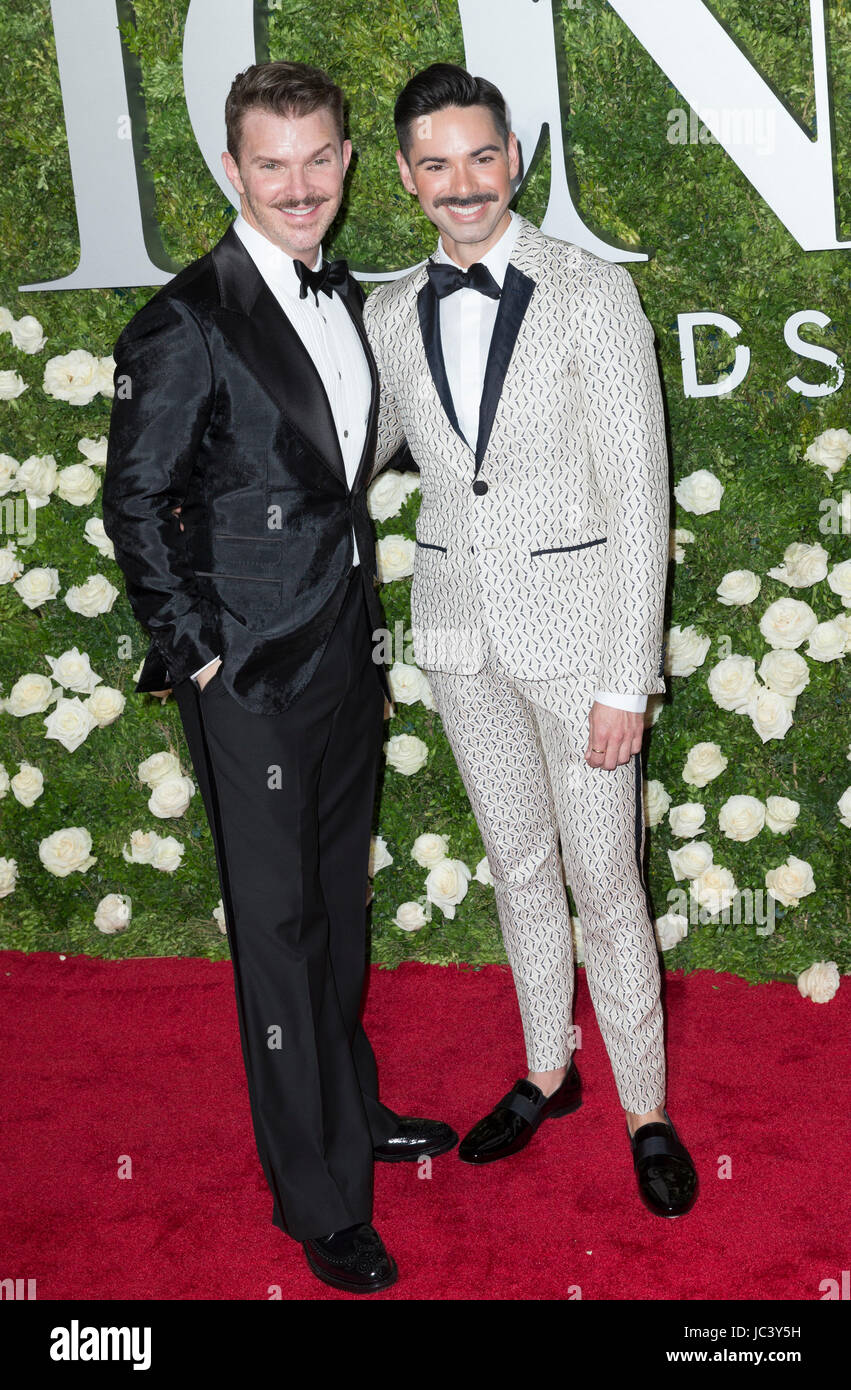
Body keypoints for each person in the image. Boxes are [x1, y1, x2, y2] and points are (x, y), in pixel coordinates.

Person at [102, 60, 456, 1295]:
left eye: (318, 159)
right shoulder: (184, 319)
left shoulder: (344, 290)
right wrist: (196, 648)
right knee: (279, 930)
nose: (298, 185)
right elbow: (135, 502)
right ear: (230, 171)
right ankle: (317, 1198)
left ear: (349, 161)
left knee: (337, 908)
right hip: (246, 670)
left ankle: (350, 1114)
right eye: (271, 164)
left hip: (343, 650)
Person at [363, 63, 697, 1217]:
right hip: (459, 640)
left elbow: (638, 492)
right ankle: (547, 1069)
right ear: (405, 178)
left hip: (580, 650)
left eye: (482, 156)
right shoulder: (387, 312)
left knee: (605, 879)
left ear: (515, 158)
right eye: (436, 164)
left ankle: (644, 1104)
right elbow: (367, 449)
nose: (463, 184)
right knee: (516, 865)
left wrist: (625, 679)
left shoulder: (590, 290)